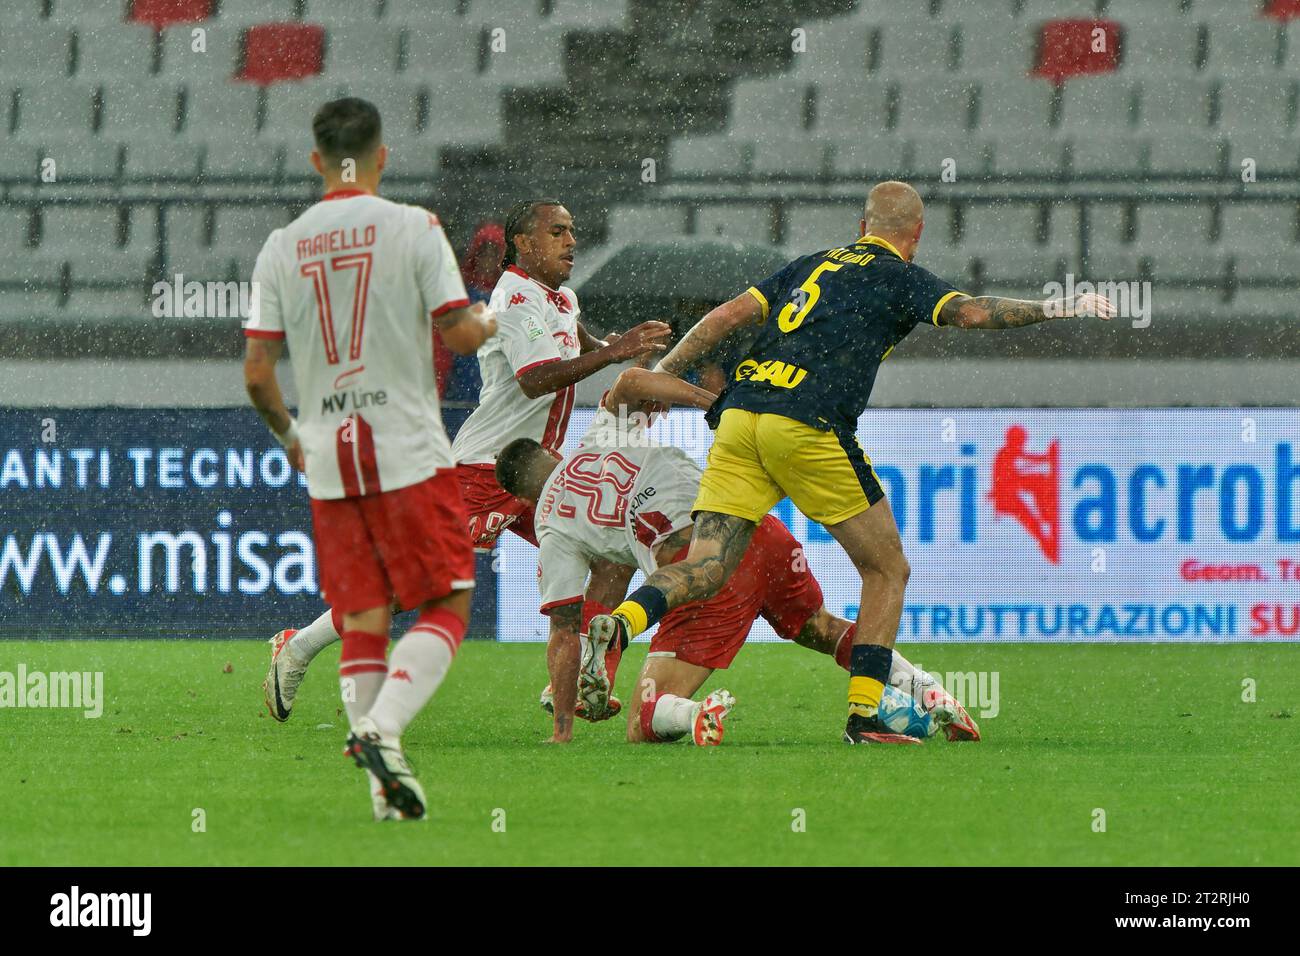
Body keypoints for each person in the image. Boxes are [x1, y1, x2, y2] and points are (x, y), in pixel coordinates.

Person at [588, 180, 1115, 745]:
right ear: (915, 236)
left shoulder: (811, 264)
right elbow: (972, 313)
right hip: (806, 423)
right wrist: (1056, 307)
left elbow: (723, 318)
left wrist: (664, 373)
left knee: (708, 567)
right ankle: (864, 717)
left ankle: (621, 624)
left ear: (863, 227)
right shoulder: (900, 276)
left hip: (741, 417)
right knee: (886, 569)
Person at [262, 199, 671, 724]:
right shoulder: (513, 298)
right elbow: (537, 376)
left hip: (539, 472)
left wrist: (627, 350)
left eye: (573, 231)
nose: (571, 242)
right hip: (484, 469)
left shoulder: (561, 297)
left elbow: (585, 346)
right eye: (557, 232)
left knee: (612, 555)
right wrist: (614, 355)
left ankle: (577, 677)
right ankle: (297, 648)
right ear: (522, 243)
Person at [494, 366, 980, 745]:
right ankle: (927, 689)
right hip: (750, 527)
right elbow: (631, 380)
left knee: (643, 723)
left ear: (527, 497)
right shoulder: (596, 440)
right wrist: (712, 401)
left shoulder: (552, 523)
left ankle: (694, 713)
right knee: (820, 629)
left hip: (698, 571)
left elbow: (563, 627)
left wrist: (563, 723)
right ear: (551, 455)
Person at [244, 97, 497, 820]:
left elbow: (257, 374)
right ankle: (381, 729)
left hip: (328, 456)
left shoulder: (281, 245)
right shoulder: (414, 229)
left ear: (315, 162)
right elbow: (459, 336)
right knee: (448, 597)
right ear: (382, 157)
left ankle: (381, 798)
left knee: (362, 615)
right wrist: (489, 317)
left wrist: (293, 439)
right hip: (407, 449)